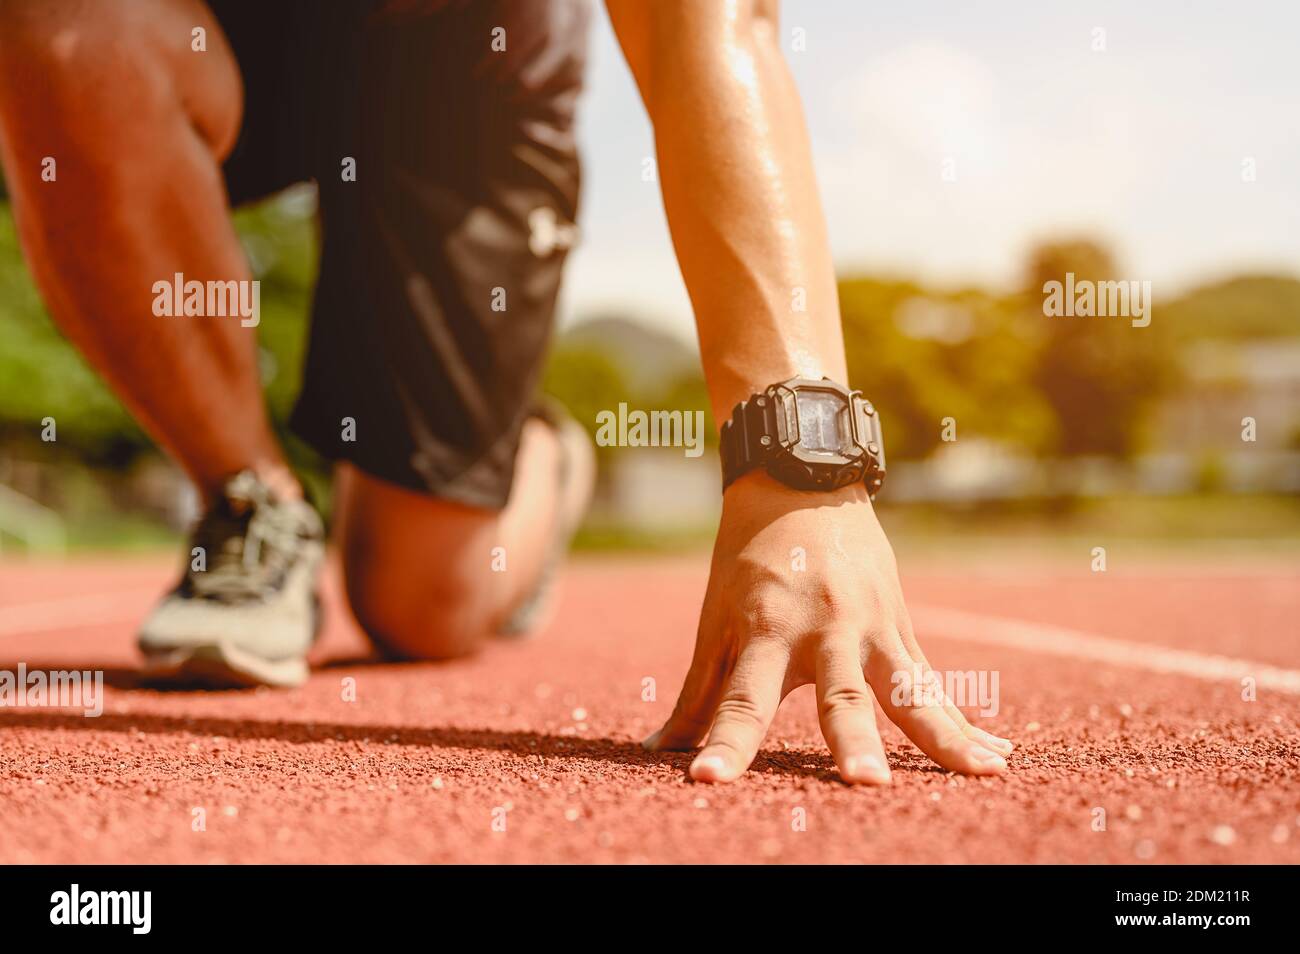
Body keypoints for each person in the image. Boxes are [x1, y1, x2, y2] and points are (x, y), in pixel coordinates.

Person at [0, 0, 1012, 784]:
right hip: (223, 24)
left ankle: (538, 460)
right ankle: (251, 499)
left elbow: (709, 25)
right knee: (60, 30)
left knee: (416, 604)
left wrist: (799, 476)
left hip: (469, 62)